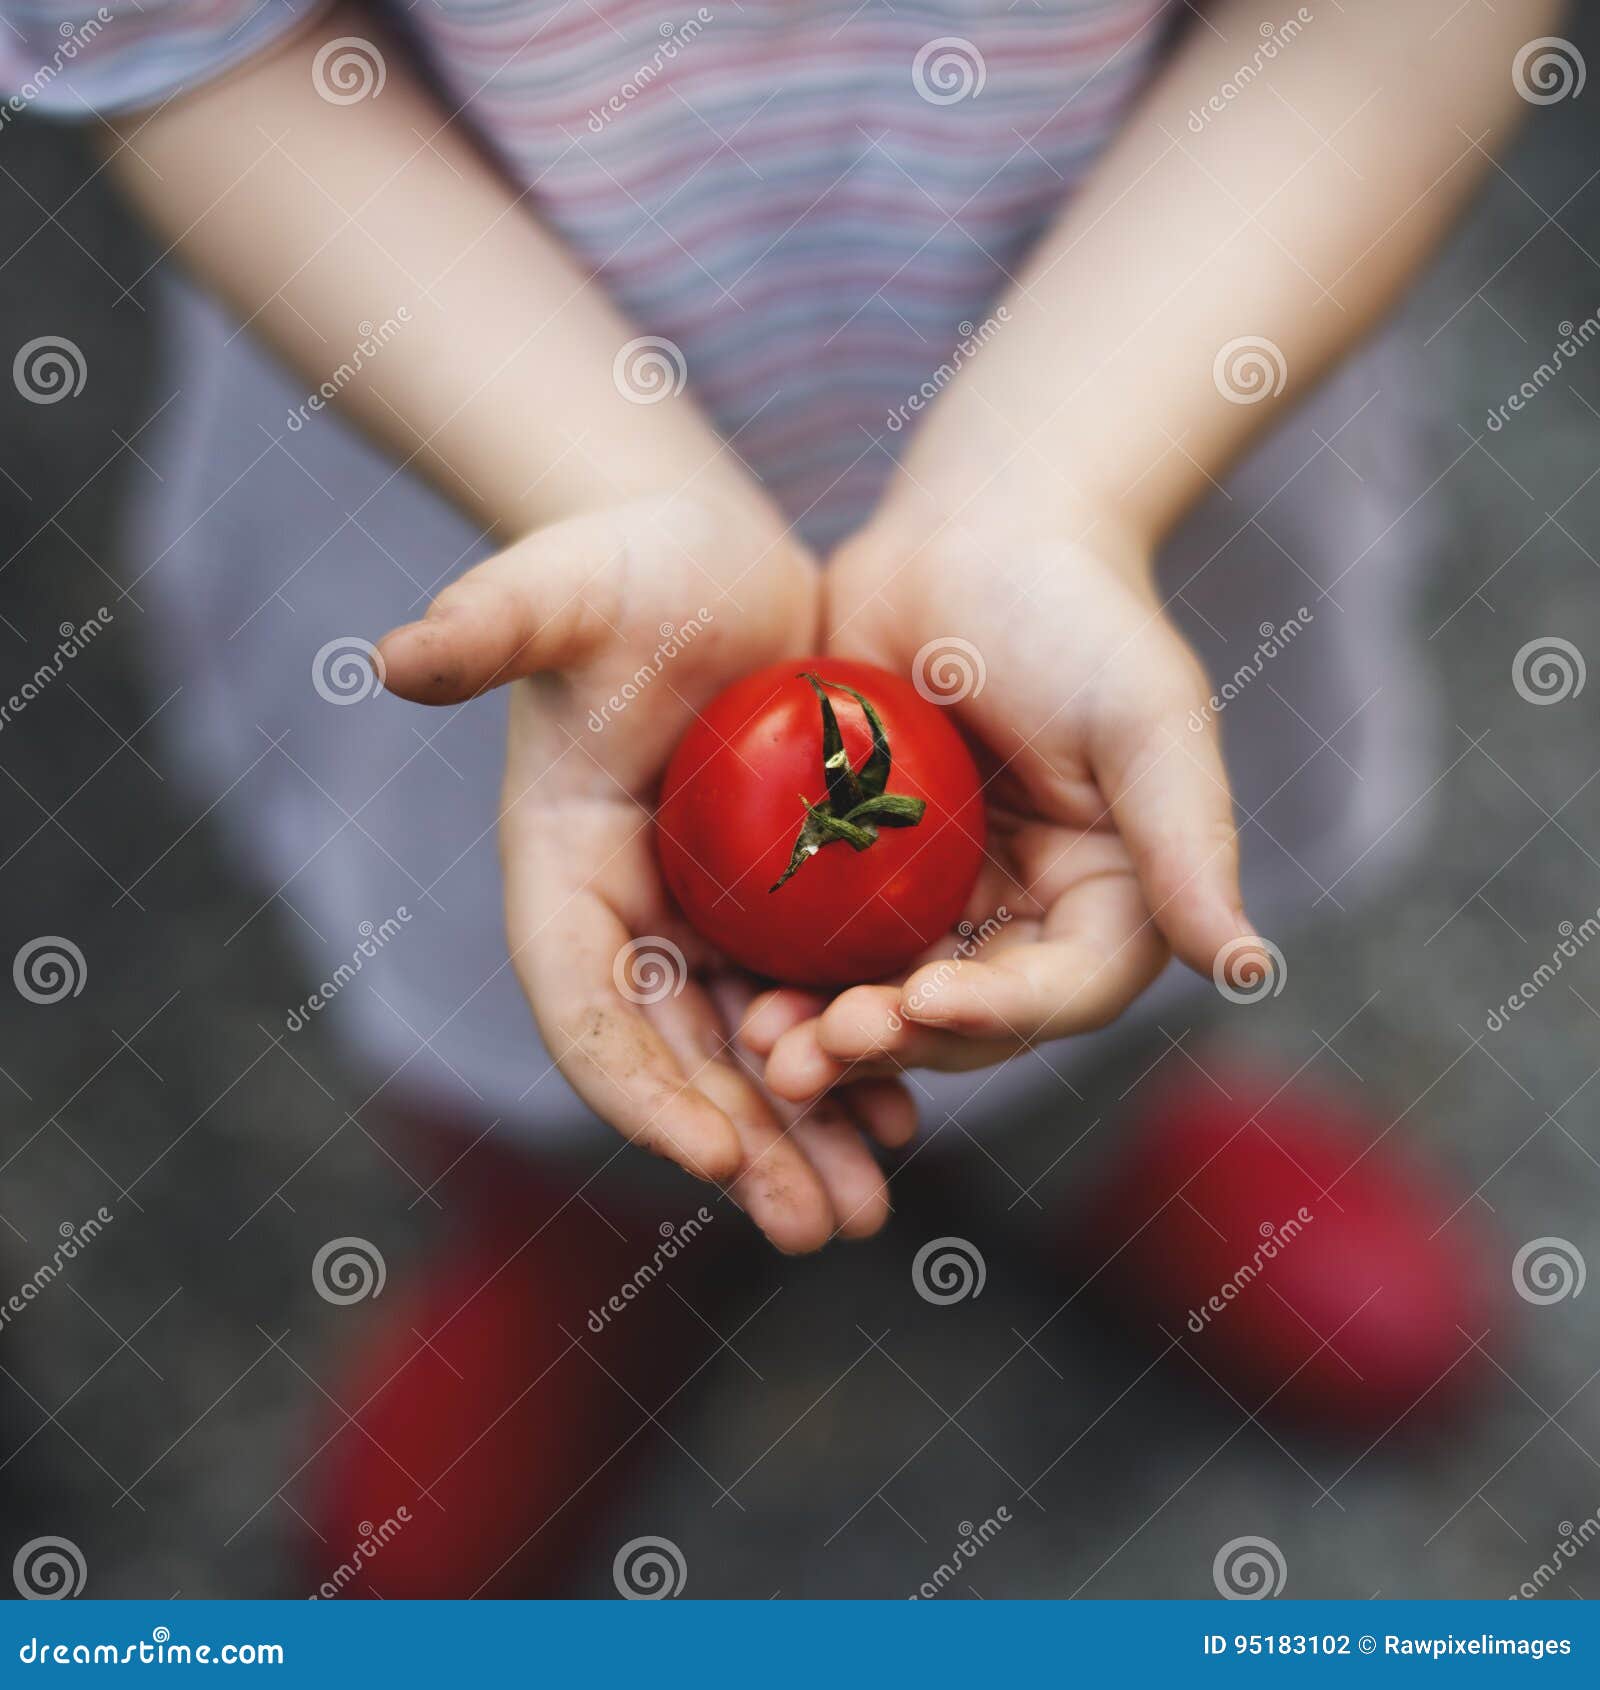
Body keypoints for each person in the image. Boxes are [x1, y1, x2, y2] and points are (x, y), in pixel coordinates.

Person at [2, 0, 1553, 1594]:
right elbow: (178, 46)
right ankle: (580, 1243)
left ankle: (1100, 1138)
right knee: (529, 963)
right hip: (462, 436)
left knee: (1106, 874)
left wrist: (1053, 481)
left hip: (1153, 391)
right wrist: (616, 488)